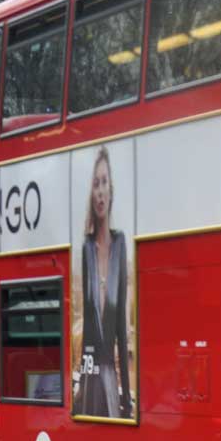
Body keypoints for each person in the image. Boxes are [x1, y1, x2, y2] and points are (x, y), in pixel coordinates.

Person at [73, 146, 132, 418]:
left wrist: (126, 398)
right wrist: (80, 382)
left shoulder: (120, 243)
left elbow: (121, 328)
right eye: (95, 183)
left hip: (110, 380)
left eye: (104, 182)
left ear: (111, 190)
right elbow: (87, 322)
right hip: (90, 378)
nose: (100, 191)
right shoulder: (86, 248)